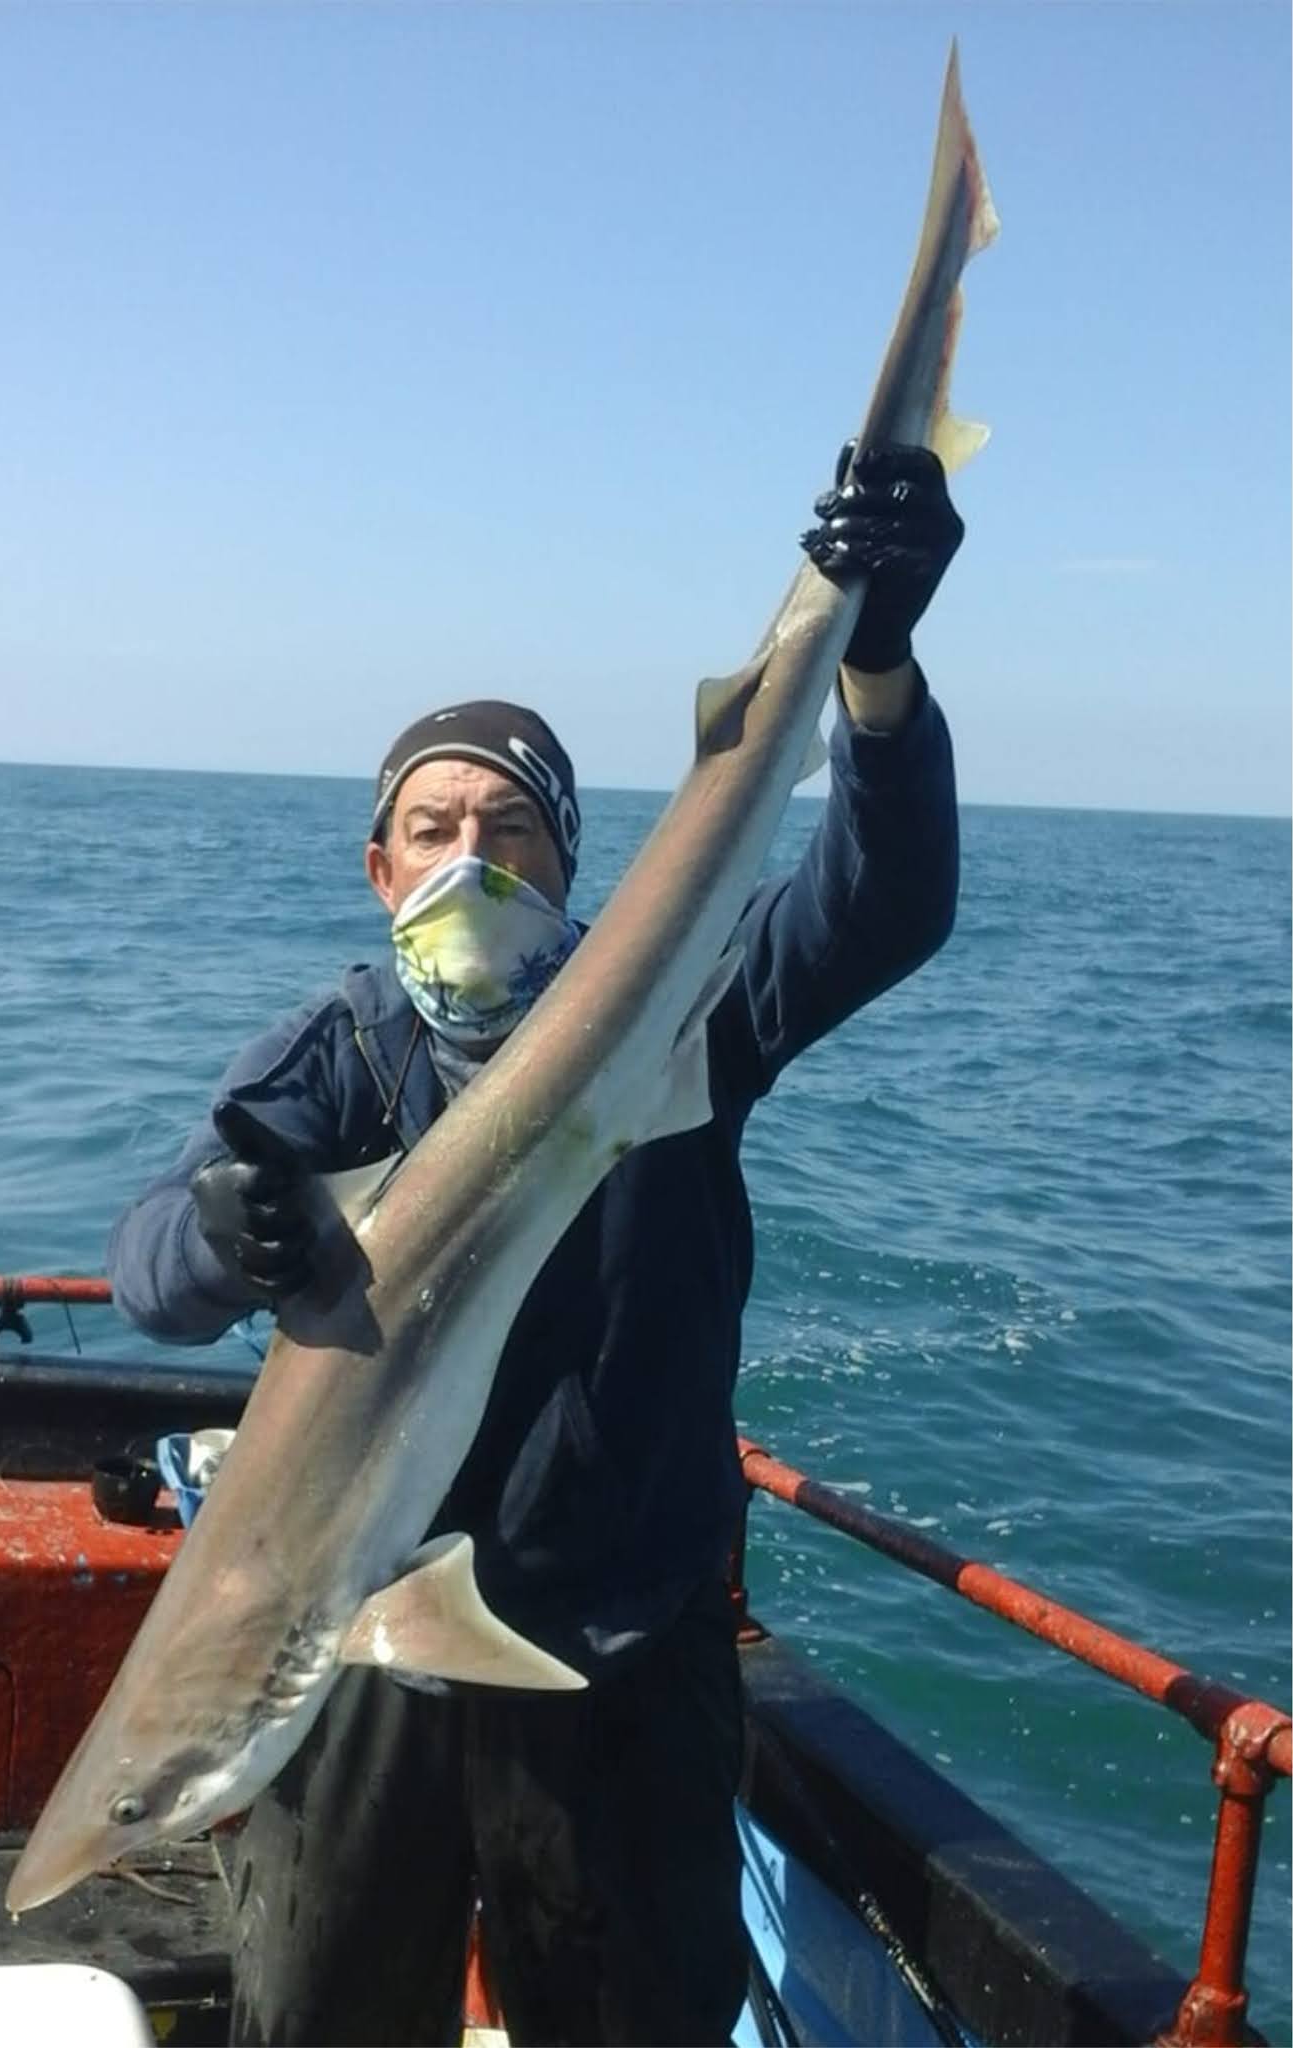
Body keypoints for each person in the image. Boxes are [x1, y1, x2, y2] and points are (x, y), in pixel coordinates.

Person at [107, 443, 964, 2048]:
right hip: (362, 1645)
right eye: (430, 827)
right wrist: (220, 1229)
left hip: (614, 1644)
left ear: (569, 862)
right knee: (321, 2020)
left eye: (509, 829)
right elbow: (150, 1269)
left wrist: (880, 673)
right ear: (378, 867)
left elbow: (882, 903)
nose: (468, 860)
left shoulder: (677, 1012)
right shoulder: (338, 1056)